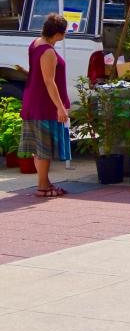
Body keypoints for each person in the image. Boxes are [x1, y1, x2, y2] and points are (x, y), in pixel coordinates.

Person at [19, 13, 71, 198]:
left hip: (33, 99)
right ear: (59, 33)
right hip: (44, 104)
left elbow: (39, 73)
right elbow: (50, 81)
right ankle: (42, 186)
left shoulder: (36, 43)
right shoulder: (48, 51)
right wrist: (60, 107)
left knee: (39, 147)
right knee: (44, 146)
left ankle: (45, 181)